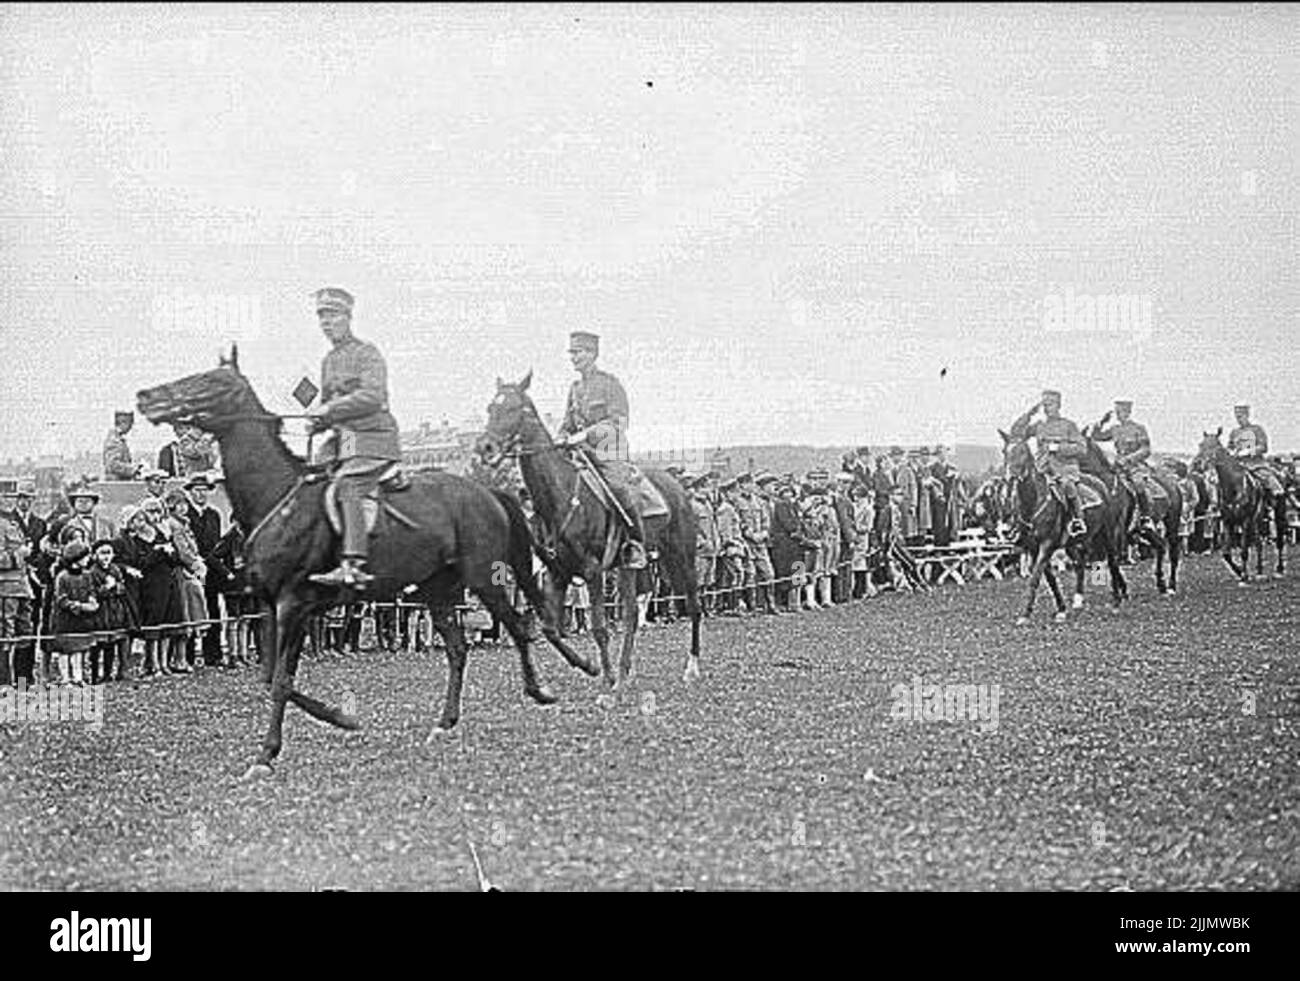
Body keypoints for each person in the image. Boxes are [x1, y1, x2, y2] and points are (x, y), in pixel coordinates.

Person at [304, 287, 403, 589]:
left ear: (348, 317)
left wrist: (330, 408)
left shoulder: (367, 353)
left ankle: (353, 563)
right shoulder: (328, 361)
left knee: (348, 485)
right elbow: (330, 408)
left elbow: (373, 396)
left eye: (332, 315)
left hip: (373, 438)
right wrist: (317, 423)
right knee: (309, 483)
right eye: (321, 316)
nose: (326, 322)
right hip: (343, 442)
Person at [555, 330, 655, 570]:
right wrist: (560, 436)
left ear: (592, 354)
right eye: (572, 353)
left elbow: (619, 422)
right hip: (580, 454)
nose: (573, 358)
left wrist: (587, 435)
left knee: (618, 489)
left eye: (578, 352)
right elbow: (567, 422)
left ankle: (635, 544)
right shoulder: (575, 388)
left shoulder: (610, 384)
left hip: (609, 453)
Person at [1009, 389, 1088, 540]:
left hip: (1065, 468)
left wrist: (1057, 448)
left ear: (1058, 405)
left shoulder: (1069, 426)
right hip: (1042, 468)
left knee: (1068, 487)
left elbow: (1082, 448)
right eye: (1044, 405)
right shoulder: (1039, 426)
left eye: (1050, 404)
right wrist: (1028, 414)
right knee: (1020, 489)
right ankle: (1019, 524)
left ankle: (1077, 520)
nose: (1046, 408)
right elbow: (1016, 432)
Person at [1093, 398, 1161, 535]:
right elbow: (1096, 436)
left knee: (1138, 483)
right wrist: (1101, 422)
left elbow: (1146, 450)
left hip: (1135, 466)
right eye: (1117, 412)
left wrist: (1129, 459)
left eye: (1122, 412)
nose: (1119, 415)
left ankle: (1145, 517)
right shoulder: (1114, 429)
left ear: (1129, 412)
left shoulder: (1139, 429)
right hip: (1117, 467)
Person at [164, 487, 208, 671]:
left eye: (184, 504)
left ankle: (182, 658)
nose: (183, 508)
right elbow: (183, 552)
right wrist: (196, 565)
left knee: (190, 616)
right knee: (184, 616)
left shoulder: (184, 523)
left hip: (191, 572)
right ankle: (178, 659)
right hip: (183, 574)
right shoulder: (174, 524)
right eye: (178, 504)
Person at [185, 473, 224, 665]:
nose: (201, 495)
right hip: (192, 569)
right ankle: (188, 656)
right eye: (197, 490)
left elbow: (216, 544)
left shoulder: (214, 515)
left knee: (212, 609)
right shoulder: (185, 515)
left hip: (212, 570)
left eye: (204, 491)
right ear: (190, 492)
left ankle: (213, 654)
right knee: (191, 610)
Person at [48, 540, 98, 686]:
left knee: (79, 649)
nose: (88, 560)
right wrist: (76, 606)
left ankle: (78, 677)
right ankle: (65, 678)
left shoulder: (87, 575)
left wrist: (91, 602)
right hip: (65, 619)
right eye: (85, 557)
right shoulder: (62, 577)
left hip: (81, 620)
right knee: (65, 650)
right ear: (76, 558)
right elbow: (61, 599)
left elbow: (91, 592)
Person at [88, 539, 136, 683]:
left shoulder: (115, 569)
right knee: (97, 645)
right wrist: (107, 587)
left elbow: (122, 587)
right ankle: (94, 674)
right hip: (100, 612)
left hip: (115, 610)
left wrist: (116, 587)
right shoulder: (92, 572)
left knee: (112, 644)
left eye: (109, 553)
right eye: (102, 553)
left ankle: (108, 673)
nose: (106, 557)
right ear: (95, 555)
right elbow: (93, 592)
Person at [1, 509, 35, 687]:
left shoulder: (13, 524)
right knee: (6, 636)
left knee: (25, 633)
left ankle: (22, 683)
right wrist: (19, 554)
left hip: (22, 588)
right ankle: (4, 684)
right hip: (5, 590)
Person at [1227, 403, 1285, 498]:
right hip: (1238, 466)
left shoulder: (1257, 429)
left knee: (1274, 484)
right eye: (1237, 417)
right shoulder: (1234, 432)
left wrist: (1249, 452)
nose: (1239, 419)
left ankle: (1276, 507)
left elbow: (1263, 447)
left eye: (1241, 416)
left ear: (1247, 415)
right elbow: (1230, 447)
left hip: (1255, 465)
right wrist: (1231, 452)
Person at [687, 475, 719, 617]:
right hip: (700, 550)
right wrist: (701, 542)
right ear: (699, 488)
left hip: (711, 549)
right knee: (698, 582)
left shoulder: (707, 505)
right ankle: (696, 608)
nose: (709, 490)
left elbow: (712, 526)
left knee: (708, 581)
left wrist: (716, 541)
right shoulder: (692, 506)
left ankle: (707, 607)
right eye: (706, 487)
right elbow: (690, 528)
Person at [102, 410, 141, 481]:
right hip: (116, 484)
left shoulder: (119, 439)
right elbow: (113, 465)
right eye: (130, 423)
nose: (131, 427)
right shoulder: (114, 440)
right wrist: (133, 469)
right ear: (123, 422)